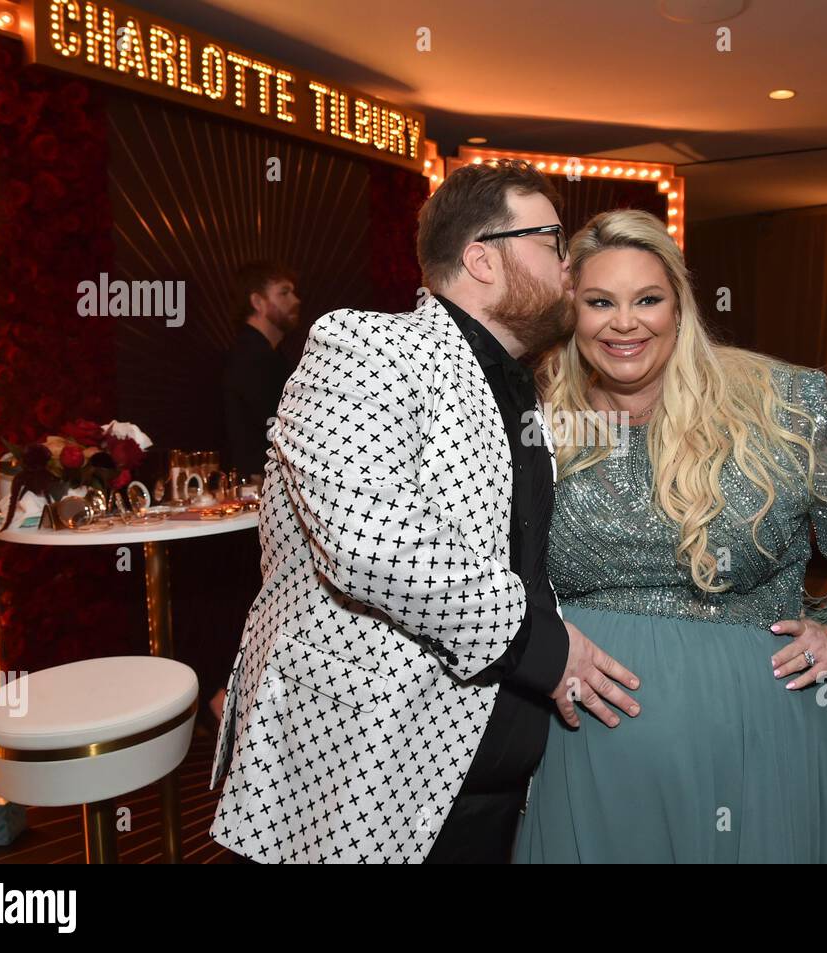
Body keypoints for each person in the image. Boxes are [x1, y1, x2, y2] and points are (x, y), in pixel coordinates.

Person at [514, 210, 827, 863]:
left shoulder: (776, 403)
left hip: (755, 737)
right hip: (589, 744)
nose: (623, 322)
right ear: (575, 311)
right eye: (601, 301)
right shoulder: (541, 419)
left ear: (680, 307)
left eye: (647, 299)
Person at [210, 160, 638, 863]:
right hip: (366, 775)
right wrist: (548, 649)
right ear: (480, 257)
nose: (571, 264)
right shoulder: (366, 346)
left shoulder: (526, 389)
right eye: (553, 241)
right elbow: (371, 543)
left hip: (489, 784)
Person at [222, 261, 301, 478]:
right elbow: (275, 426)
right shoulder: (252, 358)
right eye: (284, 293)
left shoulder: (269, 354)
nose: (295, 301)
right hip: (260, 482)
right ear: (258, 301)